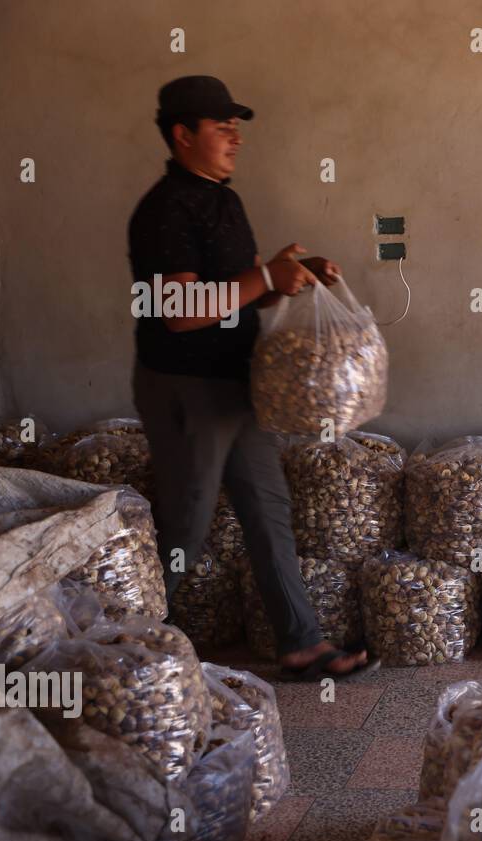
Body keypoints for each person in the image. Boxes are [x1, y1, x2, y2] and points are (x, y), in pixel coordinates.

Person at [128, 75, 372, 679]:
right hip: (186, 386)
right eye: (220, 126)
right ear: (183, 135)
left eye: (237, 124)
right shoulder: (165, 211)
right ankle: (124, 650)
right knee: (186, 520)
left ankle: (302, 643)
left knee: (268, 507)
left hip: (237, 386)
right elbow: (181, 314)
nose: (235, 136)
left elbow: (235, 297)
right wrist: (266, 277)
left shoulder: (225, 201)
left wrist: (293, 275)